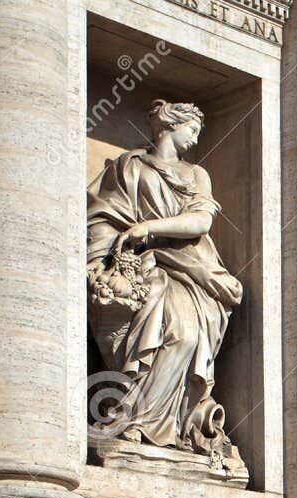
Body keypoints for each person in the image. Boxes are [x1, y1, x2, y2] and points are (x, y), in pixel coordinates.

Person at [86, 99, 242, 458]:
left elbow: (201, 222)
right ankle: (136, 421)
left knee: (186, 336)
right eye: (192, 130)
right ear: (171, 126)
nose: (196, 138)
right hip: (143, 268)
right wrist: (104, 257)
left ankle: (157, 424)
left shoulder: (196, 174)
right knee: (159, 330)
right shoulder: (128, 167)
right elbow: (100, 215)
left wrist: (147, 226)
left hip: (193, 268)